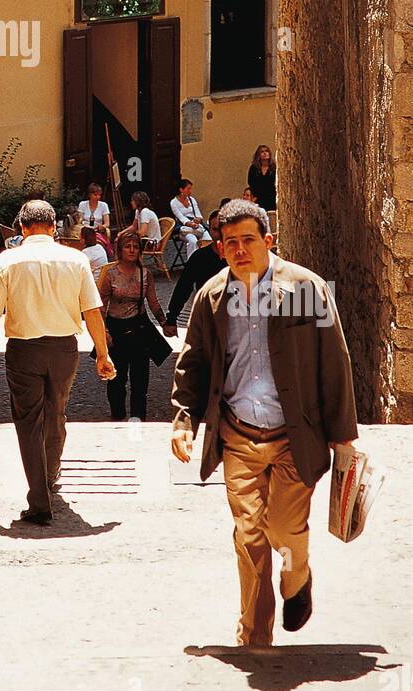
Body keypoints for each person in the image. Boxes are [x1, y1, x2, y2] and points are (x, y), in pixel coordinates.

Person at [171, 199, 358, 646]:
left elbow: (335, 363)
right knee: (249, 533)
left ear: (268, 241)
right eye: (229, 242)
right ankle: (254, 635)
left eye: (247, 240)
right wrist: (184, 421)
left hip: (296, 433)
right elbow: (192, 362)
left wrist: (344, 440)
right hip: (237, 433)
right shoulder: (213, 296)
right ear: (220, 248)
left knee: (284, 529)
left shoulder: (306, 289)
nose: (239, 249)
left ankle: (297, 576)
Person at [0, 199, 116, 525]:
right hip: (64, 350)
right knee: (56, 412)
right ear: (54, 226)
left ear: (22, 227)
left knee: (29, 421)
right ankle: (51, 475)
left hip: (23, 350)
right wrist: (102, 353)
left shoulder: (6, 261)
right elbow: (92, 312)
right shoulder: (76, 260)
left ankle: (39, 498)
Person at [98, 229, 175, 421]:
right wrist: (103, 332)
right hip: (116, 330)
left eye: (135, 247)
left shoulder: (145, 274)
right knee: (116, 378)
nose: (131, 250)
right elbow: (101, 306)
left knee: (140, 378)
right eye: (127, 247)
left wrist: (165, 323)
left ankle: (138, 417)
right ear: (120, 250)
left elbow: (153, 302)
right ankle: (118, 414)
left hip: (139, 330)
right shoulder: (110, 274)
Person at [165, 209, 226, 328]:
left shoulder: (242, 257)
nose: (221, 234)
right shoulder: (199, 258)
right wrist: (172, 318)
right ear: (210, 230)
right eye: (215, 229)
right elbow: (183, 288)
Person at [170, 177, 211, 259]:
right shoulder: (174, 203)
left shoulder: (192, 200)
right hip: (185, 228)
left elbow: (198, 213)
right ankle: (192, 263)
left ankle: (207, 262)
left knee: (208, 240)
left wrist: (198, 219)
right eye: (188, 189)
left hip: (196, 226)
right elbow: (181, 217)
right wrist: (191, 224)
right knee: (193, 241)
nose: (190, 191)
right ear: (181, 190)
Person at [248, 144, 277, 212]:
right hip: (258, 199)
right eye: (262, 151)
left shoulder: (274, 168)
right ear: (258, 155)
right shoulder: (254, 168)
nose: (264, 153)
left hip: (271, 198)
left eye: (266, 151)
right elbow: (250, 182)